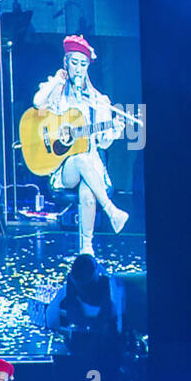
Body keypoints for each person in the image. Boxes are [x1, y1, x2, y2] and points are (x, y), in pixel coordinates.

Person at [31, 34, 128, 256]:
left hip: (91, 166)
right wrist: (57, 79)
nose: (78, 68)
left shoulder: (98, 100)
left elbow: (103, 143)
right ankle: (112, 211)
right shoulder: (56, 91)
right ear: (65, 62)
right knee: (81, 159)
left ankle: (86, 249)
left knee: (88, 191)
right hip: (65, 168)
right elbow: (37, 103)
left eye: (83, 64)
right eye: (74, 62)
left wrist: (114, 130)